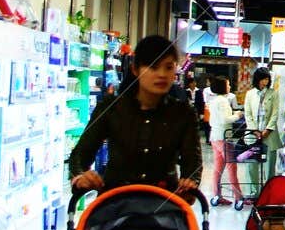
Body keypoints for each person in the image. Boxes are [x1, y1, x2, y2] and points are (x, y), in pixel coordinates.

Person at [69, 35, 202, 195]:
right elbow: (80, 154)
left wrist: (189, 184)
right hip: (114, 205)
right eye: (153, 67)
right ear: (135, 69)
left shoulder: (183, 113)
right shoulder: (112, 107)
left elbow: (192, 162)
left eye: (168, 67)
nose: (162, 74)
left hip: (164, 206)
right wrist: (82, 176)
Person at [206, 76, 244, 207]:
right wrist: (238, 115)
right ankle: (239, 197)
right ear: (222, 86)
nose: (229, 87)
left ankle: (217, 195)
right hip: (224, 137)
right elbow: (225, 119)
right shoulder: (223, 101)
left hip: (215, 137)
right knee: (231, 167)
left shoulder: (214, 101)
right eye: (228, 85)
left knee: (218, 168)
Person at [243, 66, 280, 189]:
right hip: (253, 136)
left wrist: (268, 130)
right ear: (257, 80)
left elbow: (275, 114)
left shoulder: (273, 94)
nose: (265, 82)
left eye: (267, 79)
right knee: (252, 165)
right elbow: (247, 114)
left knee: (269, 165)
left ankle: (268, 191)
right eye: (263, 79)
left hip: (270, 135)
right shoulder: (250, 94)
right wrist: (254, 130)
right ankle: (254, 192)